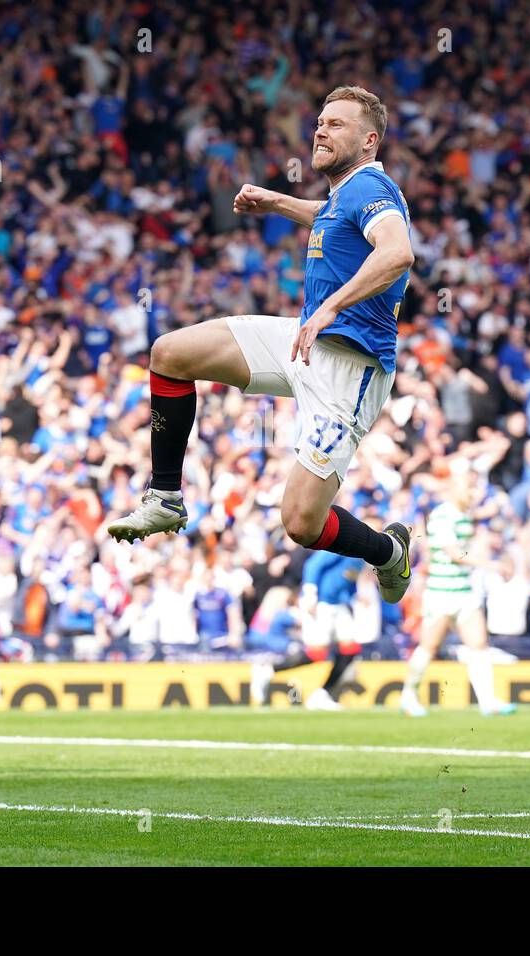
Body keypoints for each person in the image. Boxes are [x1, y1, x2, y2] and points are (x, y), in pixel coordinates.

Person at [106, 86, 415, 608]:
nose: (320, 130)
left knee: (299, 523)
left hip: (349, 368)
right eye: (319, 121)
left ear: (369, 142)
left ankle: (388, 551)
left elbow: (398, 253)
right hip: (303, 342)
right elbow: (329, 213)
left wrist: (332, 305)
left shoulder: (372, 189)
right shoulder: (349, 194)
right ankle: (164, 497)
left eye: (335, 124)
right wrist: (275, 202)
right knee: (171, 353)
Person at [400, 462, 516, 717]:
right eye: (471, 488)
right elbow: (454, 553)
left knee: (479, 644)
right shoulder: (443, 515)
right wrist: (491, 564)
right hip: (441, 591)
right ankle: (409, 695)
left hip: (463, 590)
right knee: (428, 646)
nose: (475, 494)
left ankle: (487, 701)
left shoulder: (463, 515)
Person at [251, 548, 361, 710]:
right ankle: (267, 669)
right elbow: (313, 564)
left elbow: (350, 579)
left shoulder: (364, 554)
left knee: (350, 649)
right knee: (317, 653)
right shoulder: (349, 542)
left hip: (340, 604)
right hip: (321, 603)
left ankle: (322, 694)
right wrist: (310, 594)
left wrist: (351, 599)